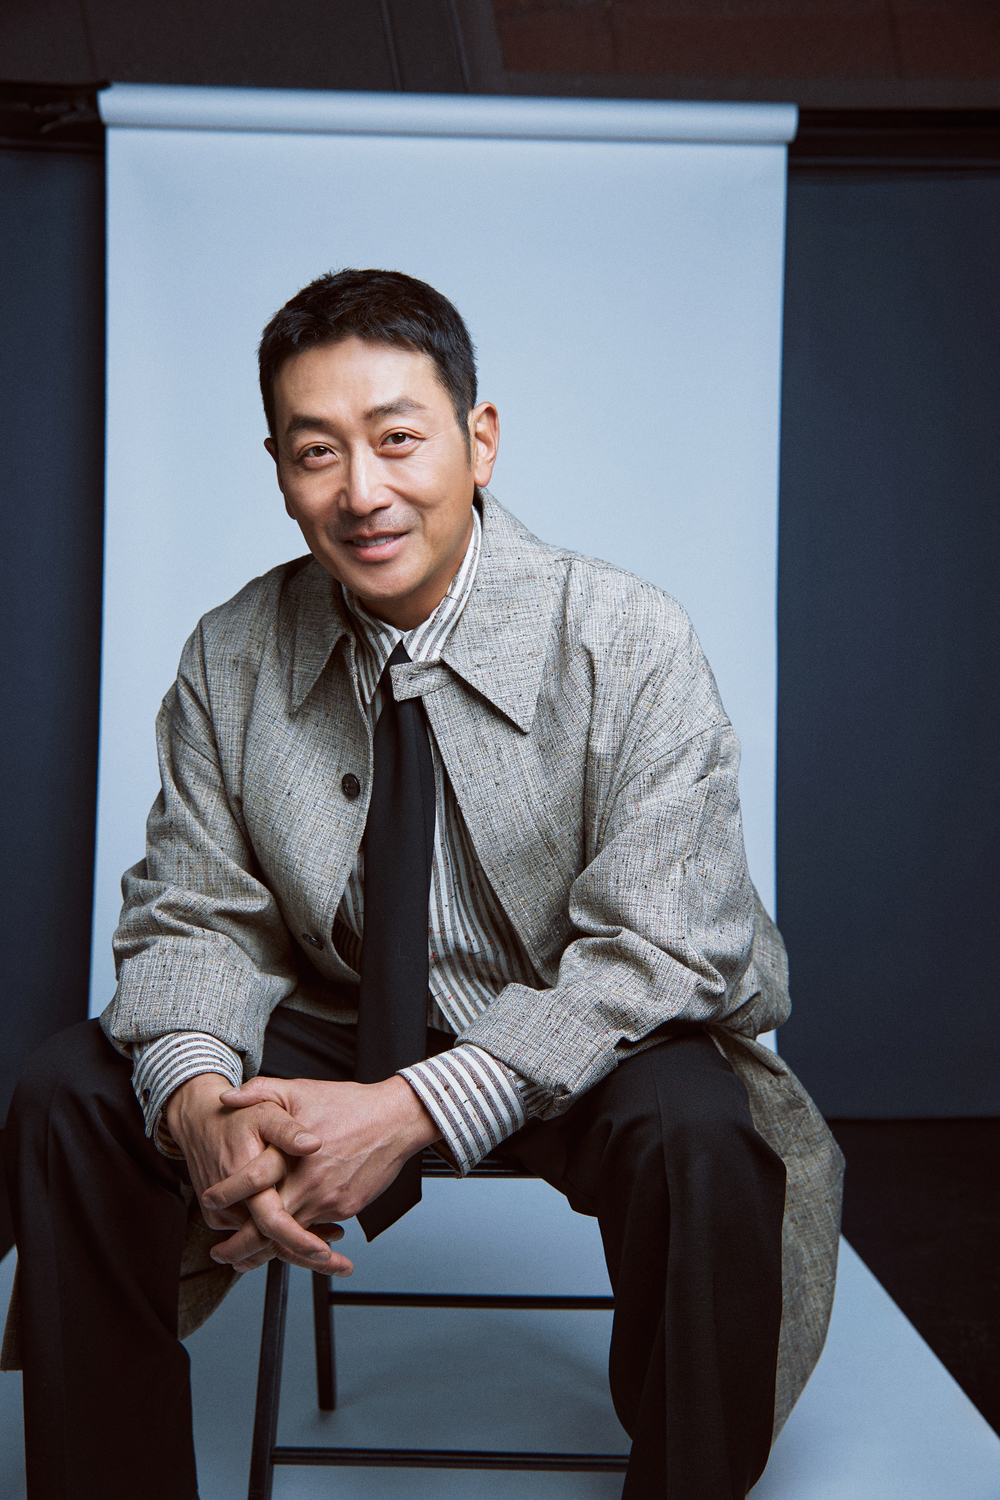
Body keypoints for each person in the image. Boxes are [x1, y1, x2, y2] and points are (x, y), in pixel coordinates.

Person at [3, 268, 842, 1500]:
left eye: (397, 439)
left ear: (477, 440)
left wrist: (409, 1111)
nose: (361, 492)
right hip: (337, 1013)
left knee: (701, 1133)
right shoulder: (232, 652)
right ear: (279, 470)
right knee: (69, 1091)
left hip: (581, 1028)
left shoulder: (629, 638)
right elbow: (193, 913)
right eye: (316, 453)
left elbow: (664, 948)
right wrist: (199, 1103)